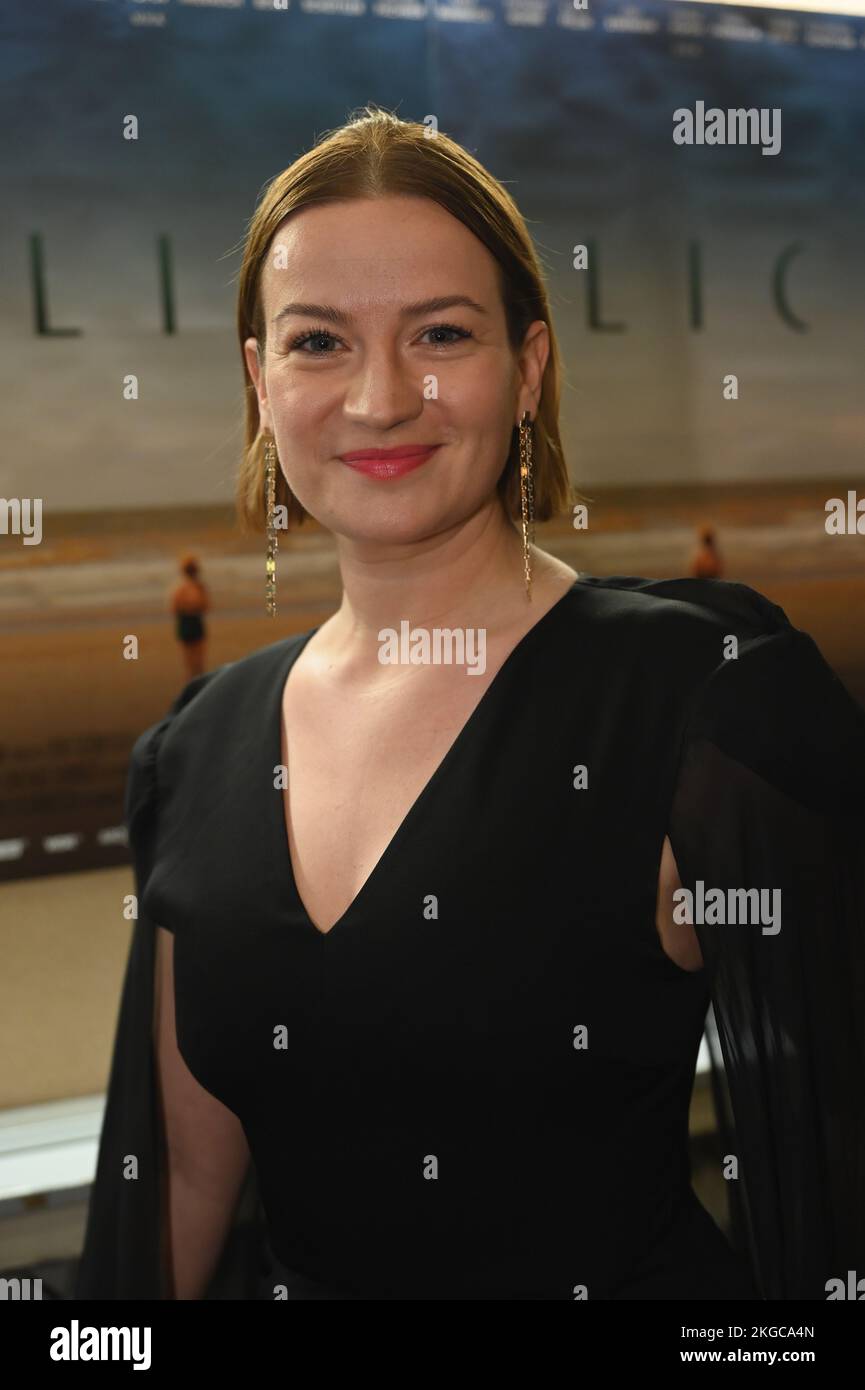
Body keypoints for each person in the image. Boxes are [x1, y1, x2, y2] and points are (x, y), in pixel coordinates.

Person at [76, 105, 865, 1301]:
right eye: (318, 342)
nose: (381, 398)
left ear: (528, 367)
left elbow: (838, 1155)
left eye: (440, 333)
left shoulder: (704, 699)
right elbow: (180, 1188)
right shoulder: (195, 751)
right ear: (259, 380)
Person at [169, 556, 210, 680]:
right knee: (198, 657)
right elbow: (206, 606)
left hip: (185, 621)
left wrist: (186, 607)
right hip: (194, 620)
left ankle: (192, 679)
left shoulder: (179, 588)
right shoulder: (199, 587)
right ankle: (197, 678)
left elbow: (173, 608)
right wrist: (193, 608)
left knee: (188, 657)